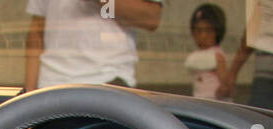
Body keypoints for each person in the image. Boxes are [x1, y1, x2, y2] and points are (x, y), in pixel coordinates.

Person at [25, 0, 164, 91]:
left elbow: (151, 18)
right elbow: (37, 31)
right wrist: (29, 95)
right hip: (50, 85)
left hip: (108, 80)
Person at [185, 4, 229, 100]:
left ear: (217, 32)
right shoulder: (195, 56)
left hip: (214, 101)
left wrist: (222, 91)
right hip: (199, 98)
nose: (203, 36)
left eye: (208, 31)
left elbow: (225, 84)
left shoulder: (217, 56)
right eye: (198, 31)